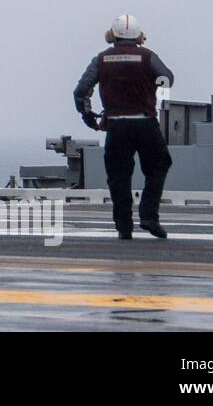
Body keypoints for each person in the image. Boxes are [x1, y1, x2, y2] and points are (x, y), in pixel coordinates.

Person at [73, 15, 174, 239]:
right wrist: (153, 93)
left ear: (112, 35)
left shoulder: (101, 60)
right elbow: (166, 78)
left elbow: (81, 91)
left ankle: (123, 227)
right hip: (146, 123)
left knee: (119, 176)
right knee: (158, 166)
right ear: (139, 36)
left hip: (116, 127)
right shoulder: (148, 56)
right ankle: (149, 216)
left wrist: (87, 116)